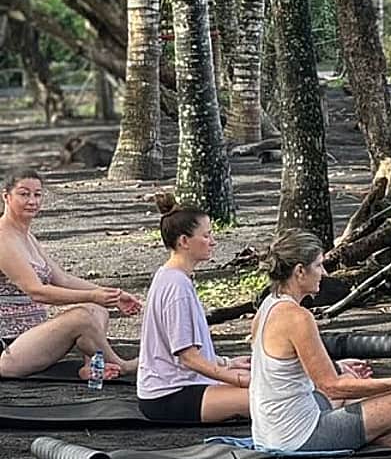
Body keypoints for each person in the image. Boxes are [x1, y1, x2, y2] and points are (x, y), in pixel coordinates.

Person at [248, 229, 391, 452]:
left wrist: (338, 367)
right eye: (318, 265)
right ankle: (373, 437)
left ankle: (374, 435)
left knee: (349, 377)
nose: (323, 273)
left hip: (268, 433)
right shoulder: (297, 317)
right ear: (300, 271)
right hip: (297, 438)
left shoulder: (267, 306)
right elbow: (332, 388)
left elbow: (285, 369)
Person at [0, 168, 140, 380]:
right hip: (8, 349)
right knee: (82, 316)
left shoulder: (27, 237)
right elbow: (37, 291)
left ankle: (91, 366)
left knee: (96, 309)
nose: (32, 201)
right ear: (6, 196)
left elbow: (62, 279)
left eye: (37, 194)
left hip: (33, 337)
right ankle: (121, 365)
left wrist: (112, 295)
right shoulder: (3, 238)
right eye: (24, 194)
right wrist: (92, 296)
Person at [136, 194, 251, 424]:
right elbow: (188, 358)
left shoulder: (172, 277)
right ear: (184, 241)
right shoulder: (177, 287)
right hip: (170, 396)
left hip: (176, 388)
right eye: (206, 236)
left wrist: (226, 363)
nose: (213, 241)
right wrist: (235, 378)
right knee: (276, 399)